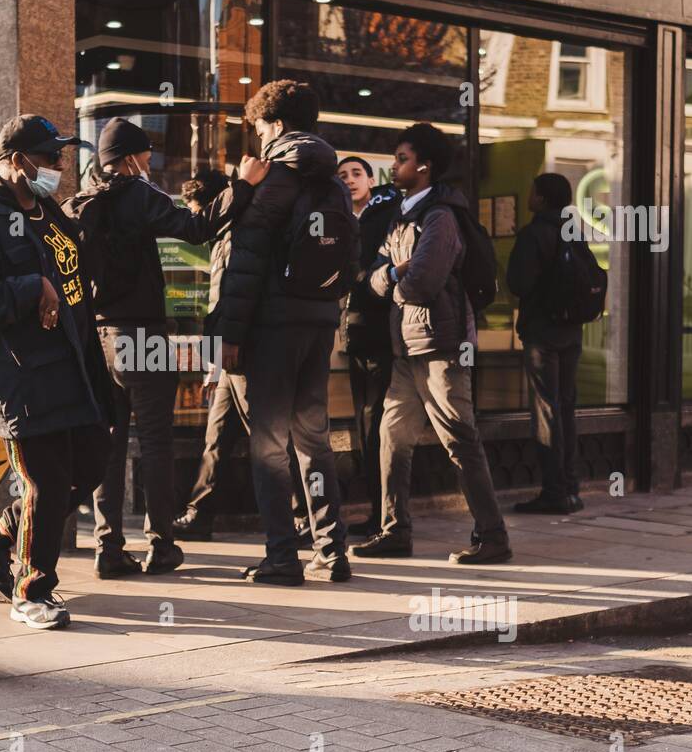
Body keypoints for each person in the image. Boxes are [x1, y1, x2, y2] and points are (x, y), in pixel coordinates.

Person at [64, 119, 267, 578]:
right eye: (146, 155)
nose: (150, 162)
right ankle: (161, 545)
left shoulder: (80, 201)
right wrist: (242, 184)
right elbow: (197, 228)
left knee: (110, 448)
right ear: (131, 157)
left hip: (100, 340)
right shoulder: (140, 193)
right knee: (155, 443)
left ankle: (107, 549)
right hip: (144, 336)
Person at [0, 114, 111, 630]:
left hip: (72, 362)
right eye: (49, 157)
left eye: (61, 156)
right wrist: (32, 289)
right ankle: (33, 592)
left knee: (90, 466)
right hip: (21, 376)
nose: (59, 166)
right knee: (47, 481)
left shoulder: (45, 207)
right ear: (14, 161)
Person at [352, 122, 512, 566]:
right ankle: (394, 530)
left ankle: (493, 537)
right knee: (391, 436)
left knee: (459, 438)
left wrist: (396, 275)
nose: (394, 164)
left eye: (401, 158)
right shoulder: (403, 215)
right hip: (406, 345)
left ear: (423, 167)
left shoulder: (440, 217)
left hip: (442, 344)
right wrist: (394, 273)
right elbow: (372, 278)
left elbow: (421, 282)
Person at [216, 80, 355, 585]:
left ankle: (281, 556)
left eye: (257, 127)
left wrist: (229, 334)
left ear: (274, 126)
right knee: (313, 439)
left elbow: (245, 263)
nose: (256, 138)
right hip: (319, 322)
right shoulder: (334, 180)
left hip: (272, 326)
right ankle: (333, 550)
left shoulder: (275, 177)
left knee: (269, 446)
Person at [173, 171, 311, 544]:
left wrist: (224, 351)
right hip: (229, 357)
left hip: (246, 356)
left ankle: (303, 516)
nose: (197, 220)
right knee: (216, 439)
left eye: (199, 210)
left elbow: (238, 301)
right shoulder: (224, 238)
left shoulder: (239, 236)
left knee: (271, 442)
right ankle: (199, 513)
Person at [507, 172, 584, 514]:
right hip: (571, 331)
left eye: (531, 191)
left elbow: (518, 284)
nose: (528, 195)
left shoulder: (533, 234)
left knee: (546, 408)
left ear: (540, 199)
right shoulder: (573, 233)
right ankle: (571, 489)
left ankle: (553, 493)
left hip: (542, 334)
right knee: (566, 407)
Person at [337, 156, 401, 537]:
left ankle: (385, 514)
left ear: (370, 179)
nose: (349, 180)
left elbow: (374, 273)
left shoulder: (385, 215)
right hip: (357, 331)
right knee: (366, 420)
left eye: (356, 173)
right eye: (342, 176)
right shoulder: (342, 219)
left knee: (378, 421)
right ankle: (380, 512)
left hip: (382, 331)